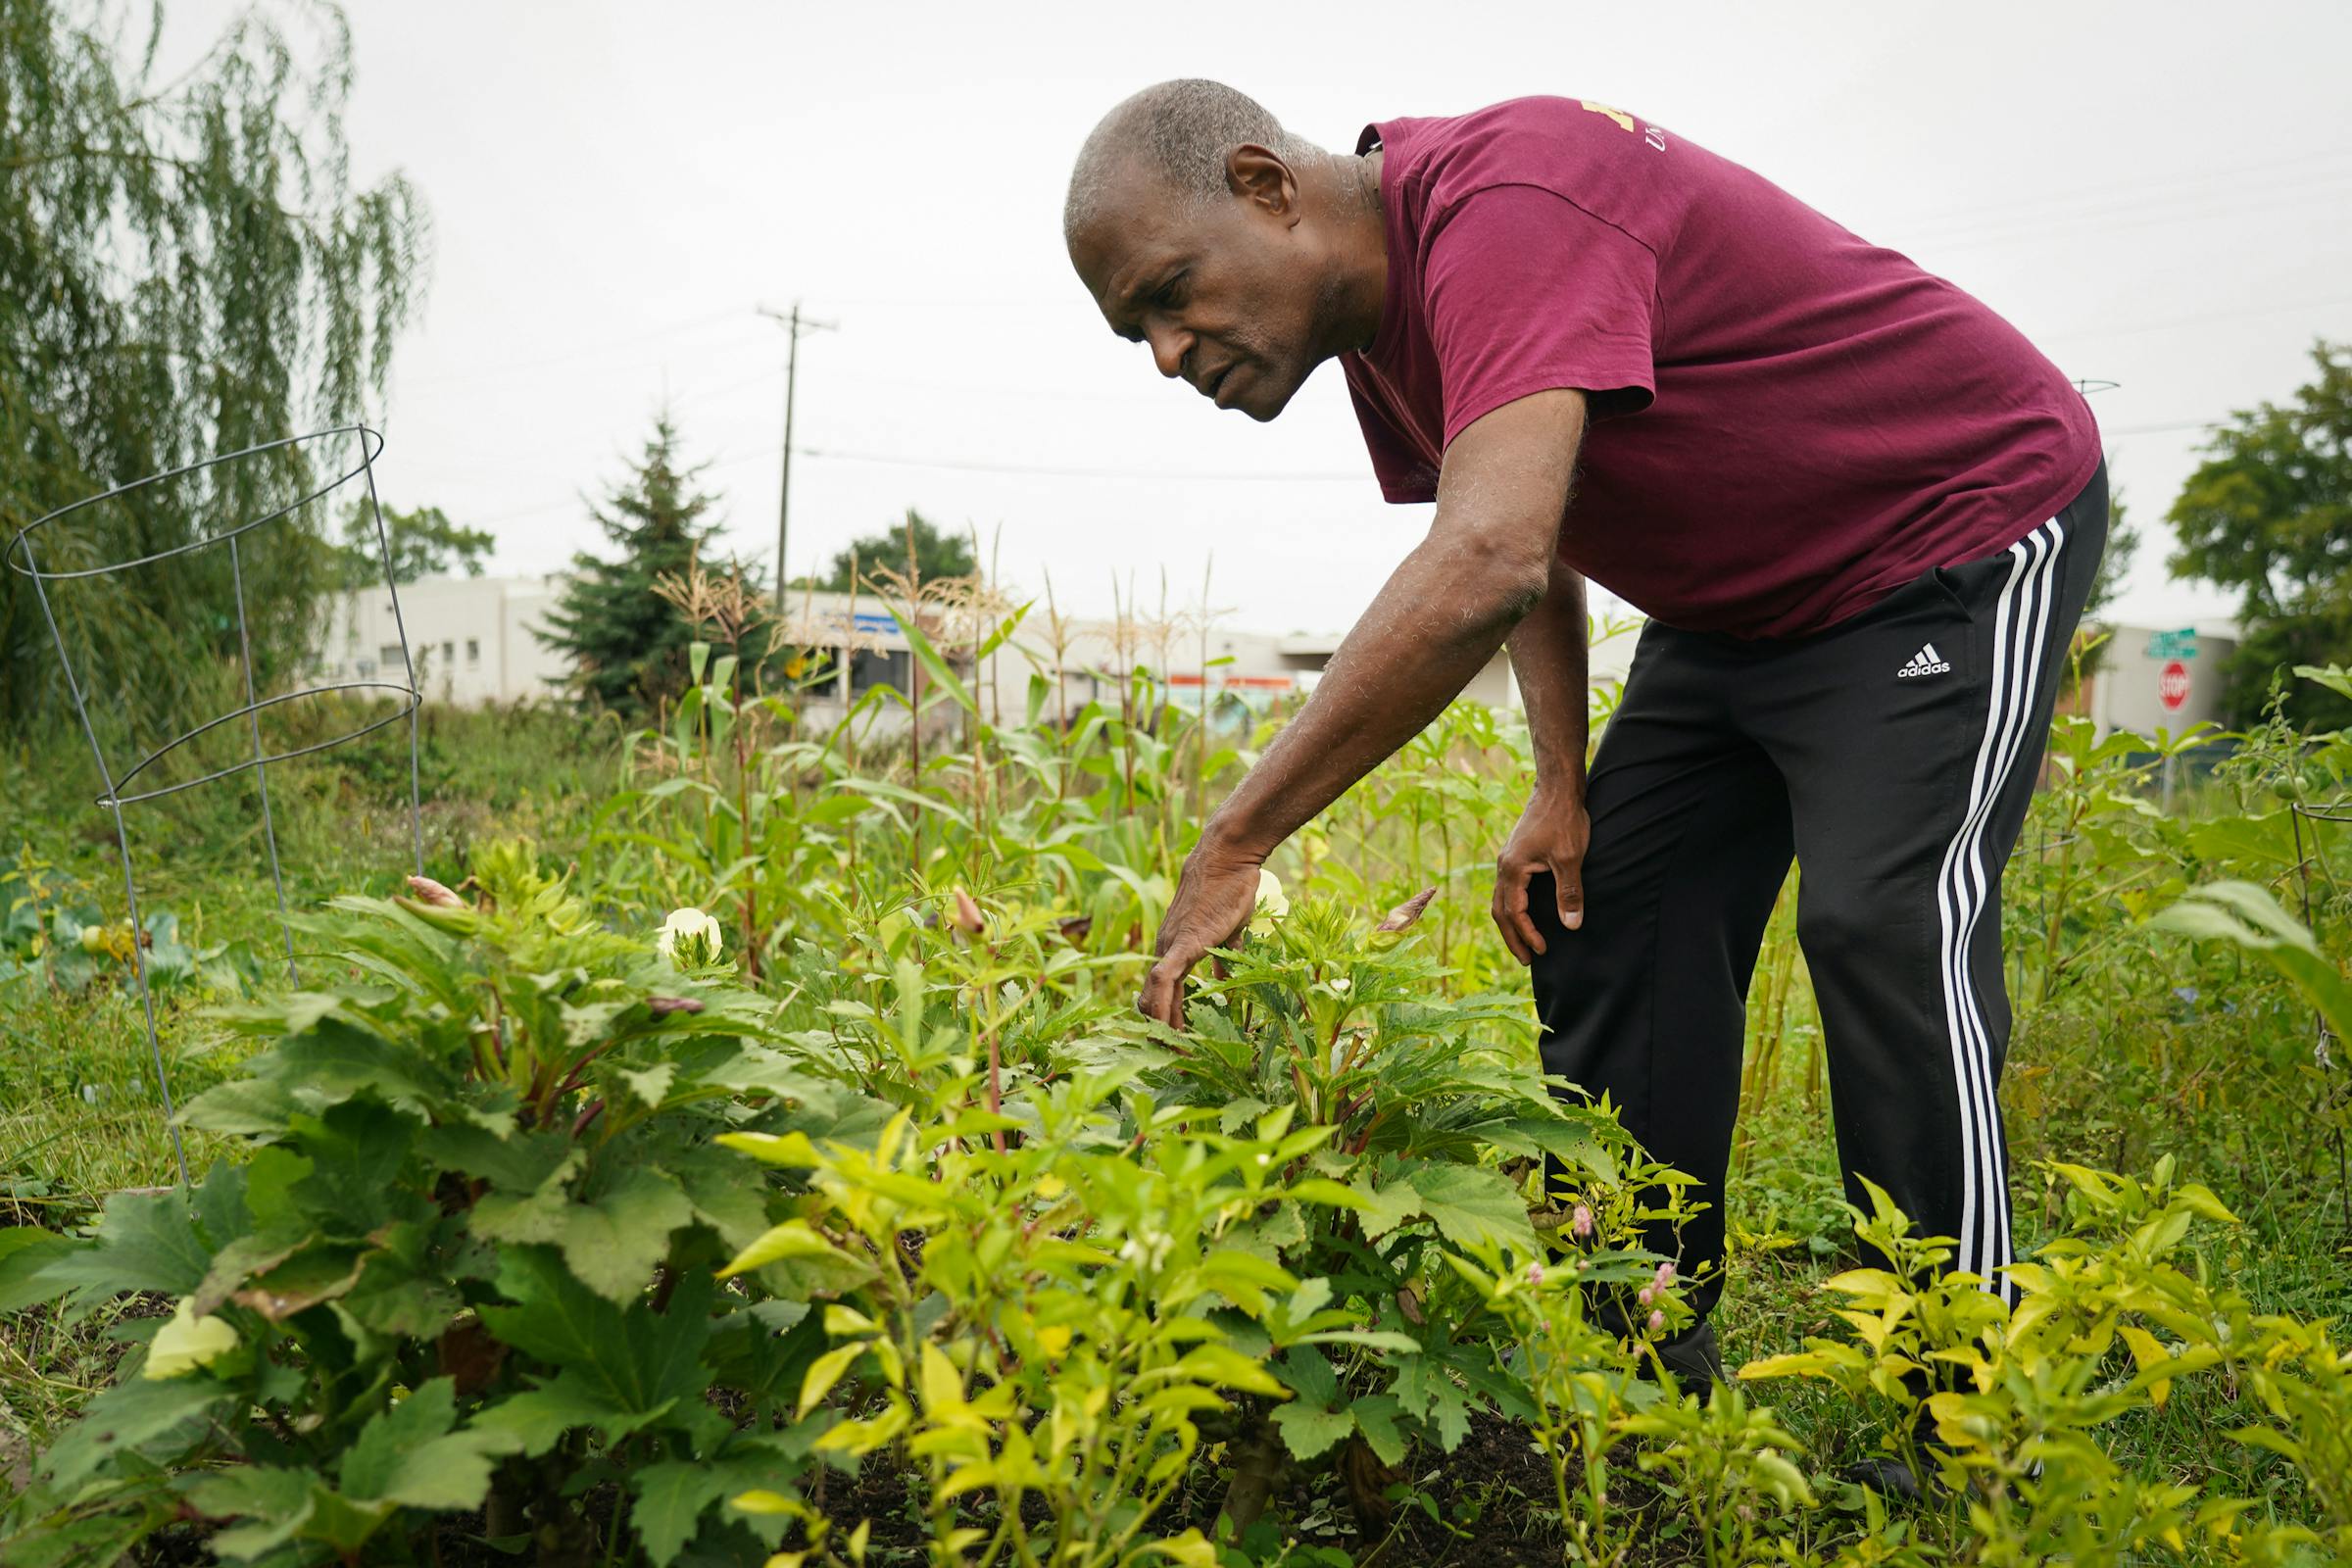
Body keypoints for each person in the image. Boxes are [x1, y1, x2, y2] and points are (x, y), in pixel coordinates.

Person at [1062, 80, 2105, 1493]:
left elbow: (1484, 554)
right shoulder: (1383, 331)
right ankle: (1642, 1367)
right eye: (1140, 333)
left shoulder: (1516, 196)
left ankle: (1970, 1418)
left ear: (1266, 186)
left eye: (1171, 295)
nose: (1172, 354)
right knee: (1604, 908)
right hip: (1740, 609)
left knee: (1881, 924)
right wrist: (1561, 782)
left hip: (1950, 530)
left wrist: (1237, 836)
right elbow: (1531, 541)